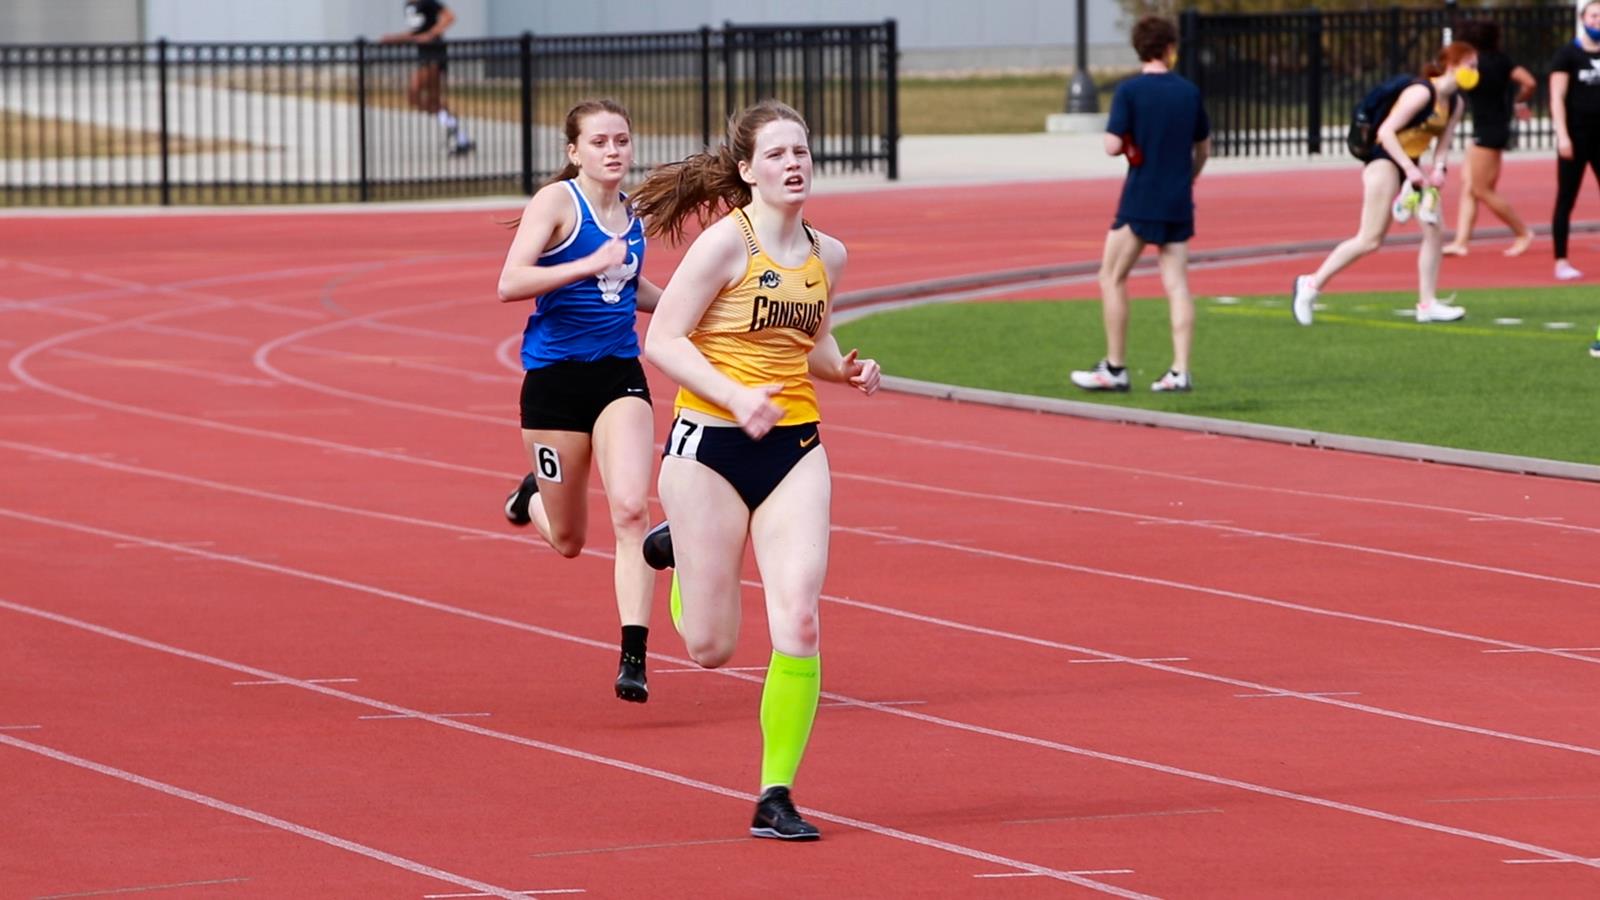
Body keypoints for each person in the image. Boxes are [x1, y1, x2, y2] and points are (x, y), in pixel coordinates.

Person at [629, 100, 881, 841]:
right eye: (776, 155)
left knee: (799, 616)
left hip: (794, 448)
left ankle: (776, 794)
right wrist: (737, 397)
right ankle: (678, 551)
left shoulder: (828, 254)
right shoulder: (723, 246)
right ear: (747, 171)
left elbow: (814, 344)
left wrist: (850, 369)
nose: (793, 164)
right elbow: (665, 340)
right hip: (710, 445)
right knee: (711, 648)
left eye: (800, 151)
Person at [498, 100, 661, 703]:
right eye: (599, 142)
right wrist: (587, 261)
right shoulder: (556, 204)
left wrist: (684, 306)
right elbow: (509, 282)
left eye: (621, 139)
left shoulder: (633, 210)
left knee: (631, 512)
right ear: (574, 151)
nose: (613, 151)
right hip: (554, 386)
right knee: (568, 539)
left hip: (619, 374)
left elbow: (629, 284)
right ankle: (530, 495)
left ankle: (634, 656)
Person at [1292, 41, 1479, 325]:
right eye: (1471, 66)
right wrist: (1408, 169)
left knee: (1434, 230)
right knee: (1370, 239)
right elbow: (1386, 132)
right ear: (1452, 65)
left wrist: (1439, 169)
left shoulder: (1456, 103)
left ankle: (1427, 304)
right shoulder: (1420, 92)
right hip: (1385, 159)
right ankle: (1310, 284)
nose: (1475, 72)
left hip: (1412, 165)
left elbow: (1443, 143)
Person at [1070, 15, 1210, 394]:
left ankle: (1115, 367)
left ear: (1139, 48)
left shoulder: (1130, 92)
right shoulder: (1188, 92)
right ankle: (1180, 369)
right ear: (1170, 48)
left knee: (1111, 276)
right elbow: (1203, 147)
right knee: (1177, 285)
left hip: (1141, 196)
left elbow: (1112, 145)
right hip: (1178, 198)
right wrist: (1190, 176)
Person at [1441, 20, 1536, 259]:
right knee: (1468, 185)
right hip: (1493, 125)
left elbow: (1449, 80)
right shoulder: (1502, 60)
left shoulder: (1472, 66)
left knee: (1482, 189)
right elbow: (1529, 81)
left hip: (1488, 130)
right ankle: (1461, 242)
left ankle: (1523, 232)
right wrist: (1520, 101)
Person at [1548, 0, 1600, 281]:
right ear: (1583, 18)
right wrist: (1562, 136)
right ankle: (1561, 260)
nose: (1598, 21)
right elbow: (1556, 97)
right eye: (1594, 16)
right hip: (1576, 137)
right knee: (1566, 198)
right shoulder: (1567, 55)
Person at [381, 0, 474, 156]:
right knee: (433, 100)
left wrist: (431, 34)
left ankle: (455, 131)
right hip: (423, 54)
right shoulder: (409, 6)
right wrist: (395, 38)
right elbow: (416, 33)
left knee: (414, 91)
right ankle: (460, 137)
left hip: (434, 54)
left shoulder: (428, 2)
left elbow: (449, 17)